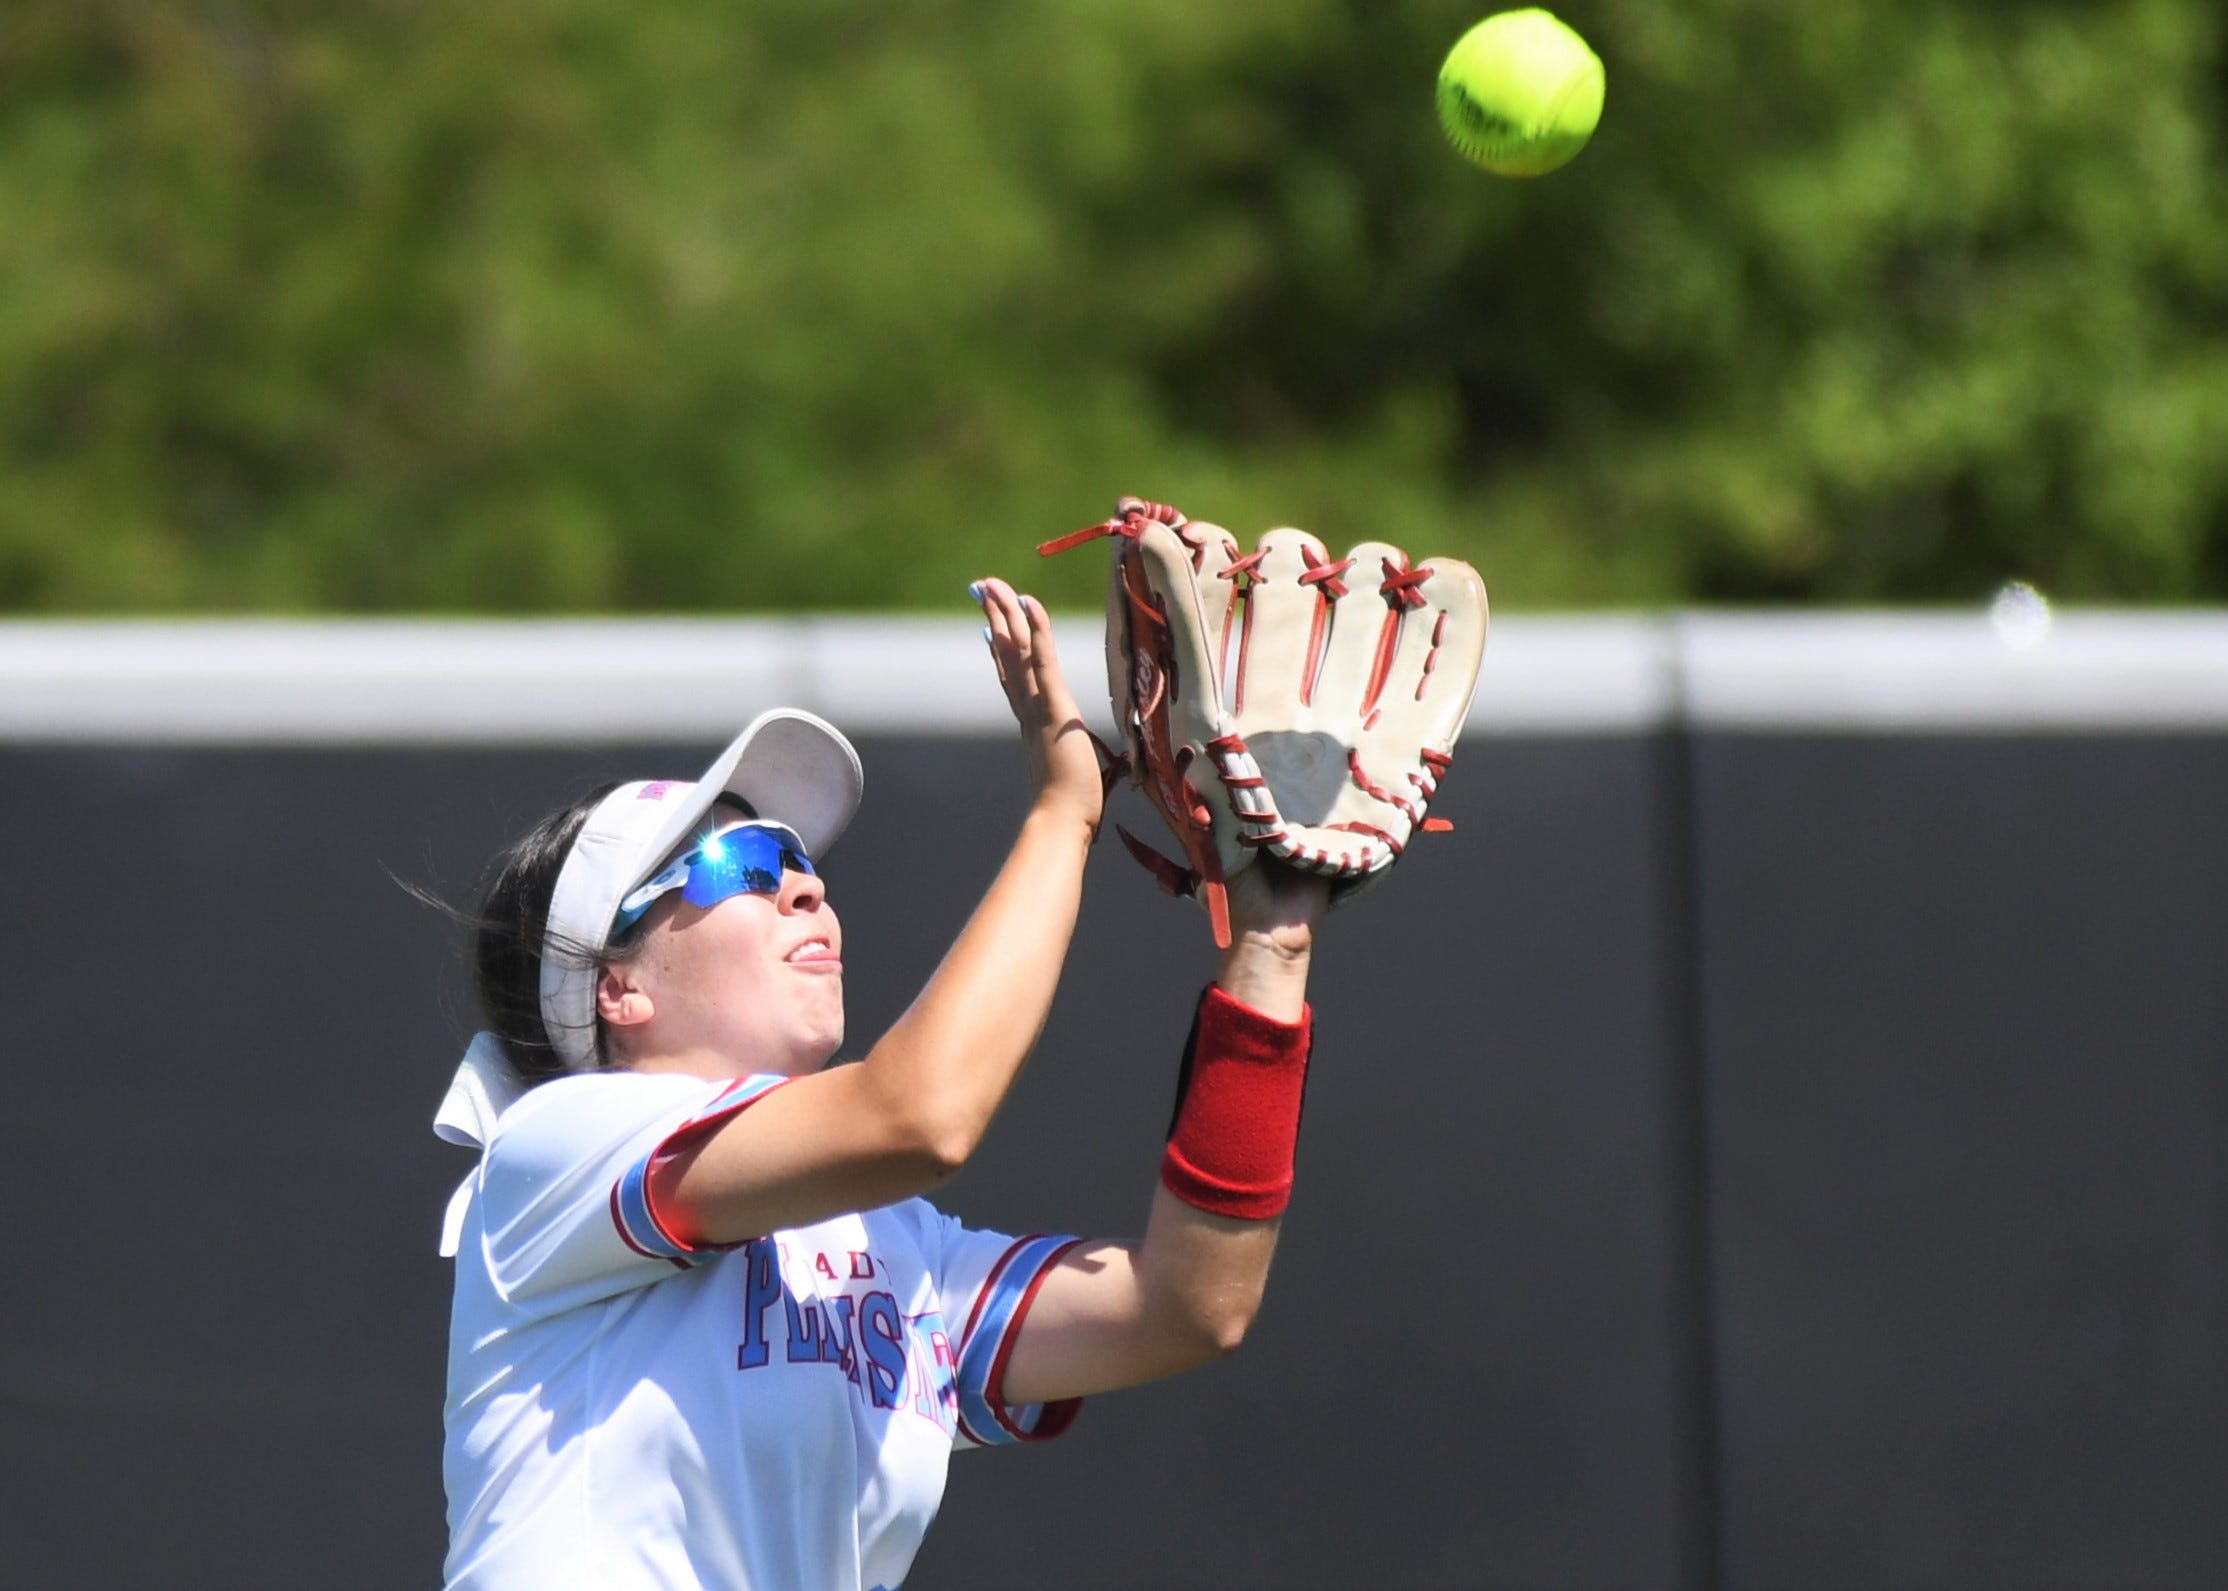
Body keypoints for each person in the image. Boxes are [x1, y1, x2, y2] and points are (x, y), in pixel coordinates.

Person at [433, 578, 1329, 1590]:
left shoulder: (890, 1246)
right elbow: (920, 1116)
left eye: (798, 856)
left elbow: (1184, 1306)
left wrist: (1271, 950)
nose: (805, 882)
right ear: (618, 987)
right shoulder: (556, 1149)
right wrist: (1062, 812)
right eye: (741, 863)